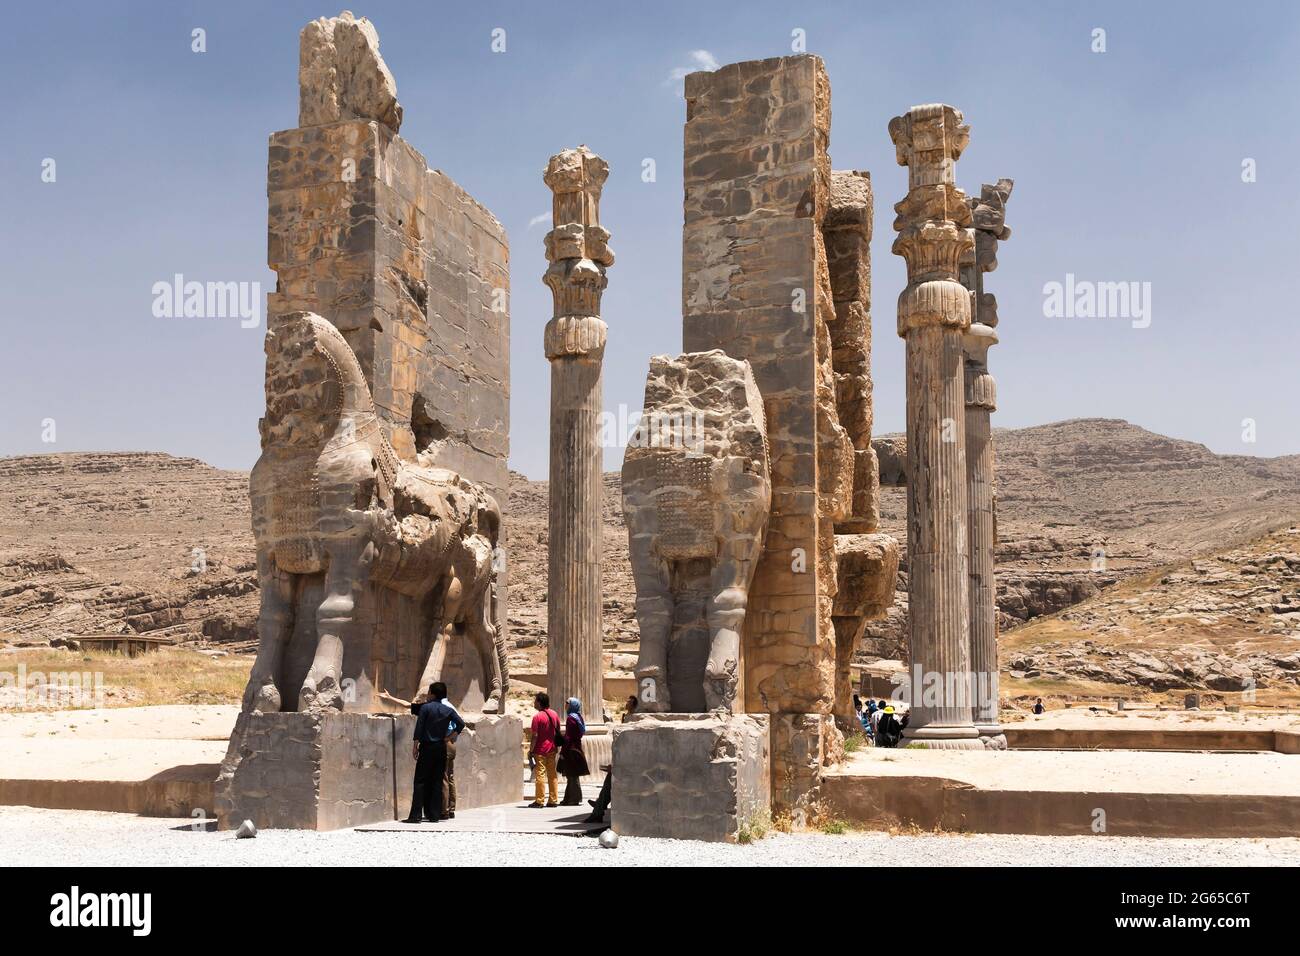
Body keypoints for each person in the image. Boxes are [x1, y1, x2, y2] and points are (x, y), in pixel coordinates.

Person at [404, 681, 463, 824]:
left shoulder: (426, 708)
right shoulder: (447, 710)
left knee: (420, 781)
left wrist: (415, 745)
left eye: (429, 692)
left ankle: (416, 815)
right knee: (437, 781)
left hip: (427, 748)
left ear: (432, 694)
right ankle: (434, 815)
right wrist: (449, 737)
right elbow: (461, 723)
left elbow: (420, 726)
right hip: (441, 748)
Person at [586, 695, 637, 822]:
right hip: (624, 757)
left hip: (630, 760)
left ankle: (599, 808)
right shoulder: (626, 717)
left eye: (629, 702)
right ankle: (599, 806)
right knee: (608, 782)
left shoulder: (636, 719)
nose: (626, 703)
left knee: (609, 783)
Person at [528, 692, 561, 808]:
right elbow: (558, 730)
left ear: (539, 702)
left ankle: (539, 800)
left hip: (540, 750)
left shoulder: (537, 717)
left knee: (540, 774)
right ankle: (553, 800)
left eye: (535, 700)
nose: (534, 703)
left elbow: (535, 736)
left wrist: (531, 750)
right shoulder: (554, 714)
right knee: (552, 775)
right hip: (552, 748)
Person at [559, 696, 590, 806]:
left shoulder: (571, 719)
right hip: (577, 747)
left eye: (567, 703)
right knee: (572, 775)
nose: (565, 705)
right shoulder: (578, 717)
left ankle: (573, 799)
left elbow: (568, 737)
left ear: (572, 705)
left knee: (571, 775)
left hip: (571, 749)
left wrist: (563, 751)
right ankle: (569, 798)